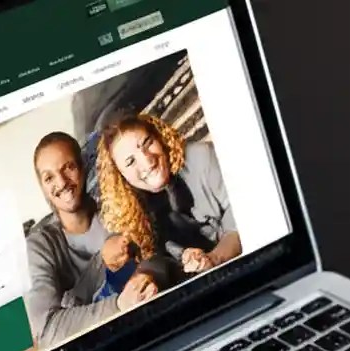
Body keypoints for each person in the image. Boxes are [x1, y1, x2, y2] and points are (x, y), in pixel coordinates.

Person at [24, 131, 157, 348]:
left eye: (68, 167)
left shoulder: (119, 209)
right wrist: (117, 302)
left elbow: (155, 255)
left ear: (83, 167)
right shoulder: (39, 246)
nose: (62, 182)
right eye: (49, 177)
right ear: (43, 189)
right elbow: (47, 331)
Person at [94, 113, 242, 287]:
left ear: (160, 138)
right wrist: (187, 257)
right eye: (130, 161)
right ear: (121, 177)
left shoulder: (203, 157)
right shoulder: (134, 213)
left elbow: (245, 213)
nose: (147, 161)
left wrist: (214, 258)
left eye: (148, 143)